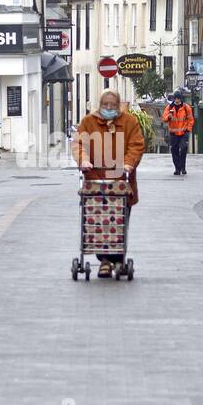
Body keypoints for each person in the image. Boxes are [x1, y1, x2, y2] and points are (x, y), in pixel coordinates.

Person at [73, 90, 145, 278]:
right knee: (97, 221)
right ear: (100, 104)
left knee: (119, 221)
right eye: (105, 104)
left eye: (113, 105)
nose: (109, 108)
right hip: (95, 183)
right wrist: (84, 160)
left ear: (119, 105)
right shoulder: (88, 122)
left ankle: (119, 260)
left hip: (121, 183)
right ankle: (104, 261)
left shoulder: (130, 122)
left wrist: (129, 163)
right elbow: (80, 144)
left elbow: (136, 145)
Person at [161, 91, 194, 175]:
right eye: (175, 98)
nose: (177, 100)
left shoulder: (186, 107)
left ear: (181, 99)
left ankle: (183, 167)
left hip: (183, 132)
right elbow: (164, 118)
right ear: (174, 98)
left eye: (178, 98)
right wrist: (169, 117)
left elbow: (191, 119)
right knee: (174, 151)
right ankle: (177, 168)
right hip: (173, 133)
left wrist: (188, 129)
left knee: (183, 149)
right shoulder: (169, 108)